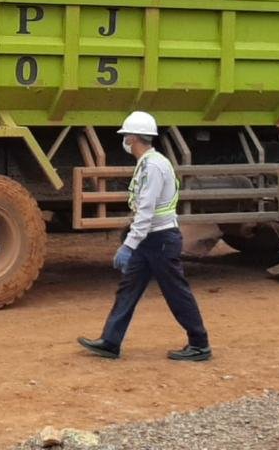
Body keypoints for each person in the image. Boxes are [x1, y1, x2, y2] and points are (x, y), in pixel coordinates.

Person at [77, 111, 212, 361]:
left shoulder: (152, 166)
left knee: (175, 291)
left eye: (126, 135)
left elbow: (147, 211)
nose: (125, 140)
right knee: (128, 289)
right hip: (151, 240)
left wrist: (129, 244)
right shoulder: (149, 163)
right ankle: (110, 341)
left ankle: (199, 343)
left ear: (134, 138)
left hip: (160, 240)